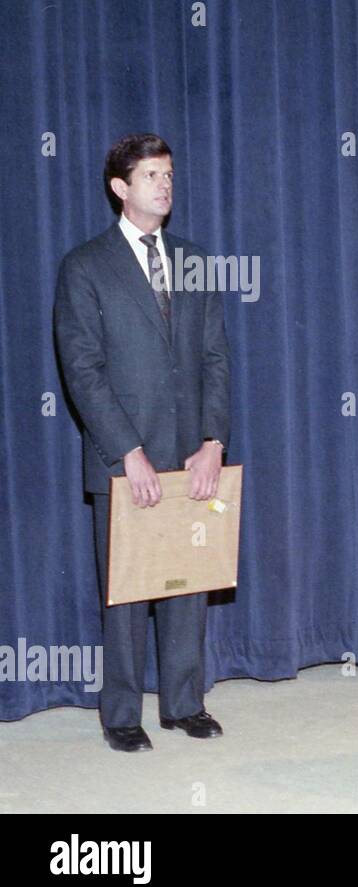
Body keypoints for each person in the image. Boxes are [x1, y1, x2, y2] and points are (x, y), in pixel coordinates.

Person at [54, 133, 232, 752]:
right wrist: (127, 451)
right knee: (127, 588)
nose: (165, 185)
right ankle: (122, 714)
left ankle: (185, 702)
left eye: (170, 175)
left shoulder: (194, 259)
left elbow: (214, 358)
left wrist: (213, 440)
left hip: (190, 452)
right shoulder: (85, 266)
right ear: (120, 187)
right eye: (152, 175)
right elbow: (82, 368)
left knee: (188, 581)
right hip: (121, 455)